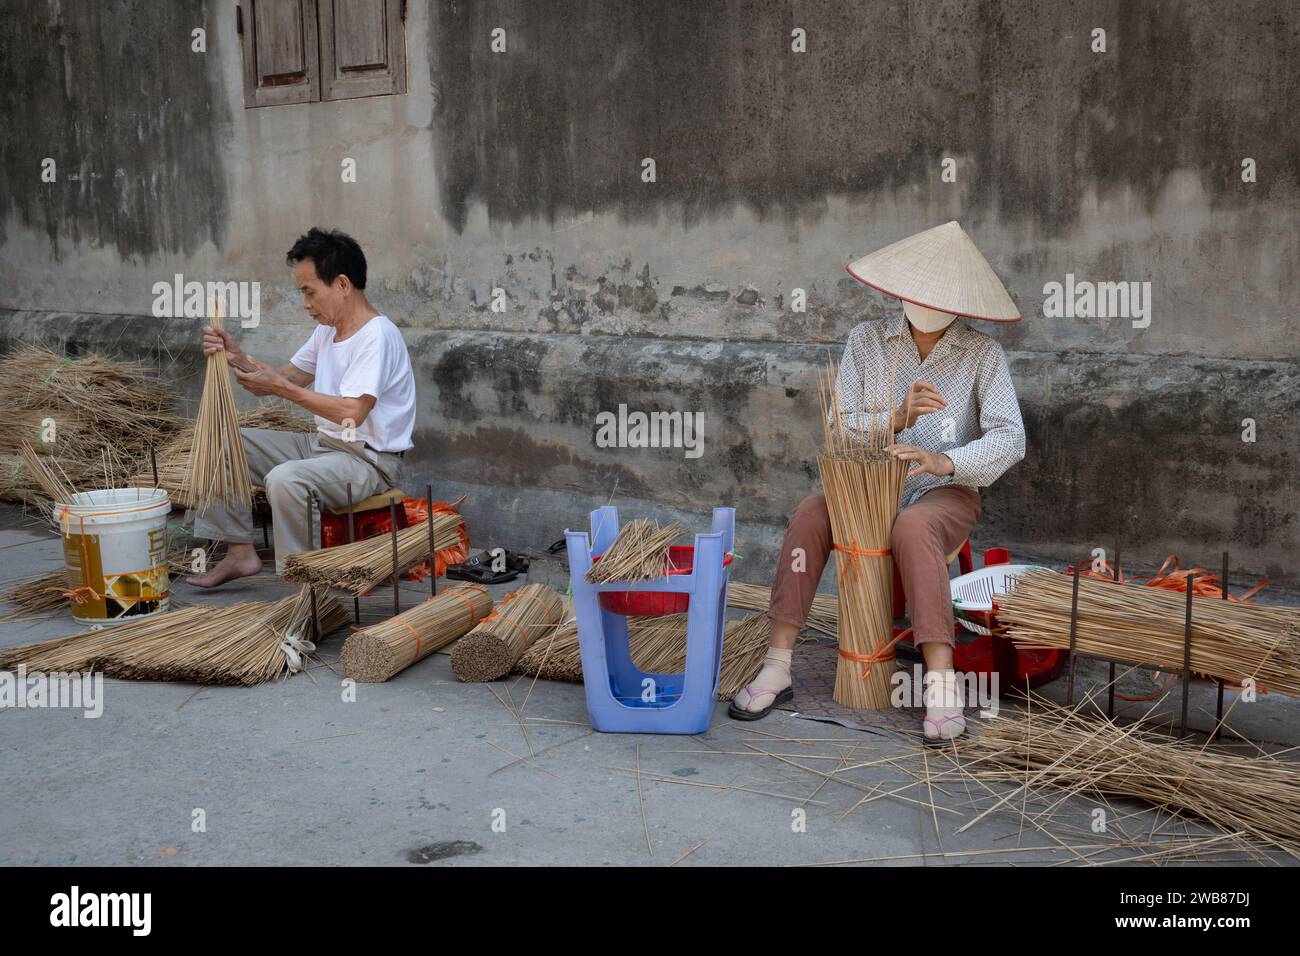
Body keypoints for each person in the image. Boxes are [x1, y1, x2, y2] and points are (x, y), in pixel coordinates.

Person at [729, 221, 1026, 740]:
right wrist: (896, 416)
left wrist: (944, 463)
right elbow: (843, 427)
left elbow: (1010, 439)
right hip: (866, 489)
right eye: (919, 289)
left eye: (940, 294)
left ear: (960, 300)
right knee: (809, 513)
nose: (927, 301)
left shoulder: (983, 355)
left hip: (944, 493)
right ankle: (777, 664)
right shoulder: (867, 342)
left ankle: (939, 682)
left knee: (913, 527)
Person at [186, 227, 416, 588]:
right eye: (302, 293)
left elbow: (352, 413)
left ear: (342, 285)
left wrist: (279, 388)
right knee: (222, 439)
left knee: (285, 479)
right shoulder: (328, 330)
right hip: (323, 448)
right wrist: (238, 357)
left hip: (367, 461)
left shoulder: (378, 336)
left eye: (309, 292)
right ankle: (240, 553)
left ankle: (303, 591)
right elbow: (290, 376)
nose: (306, 304)